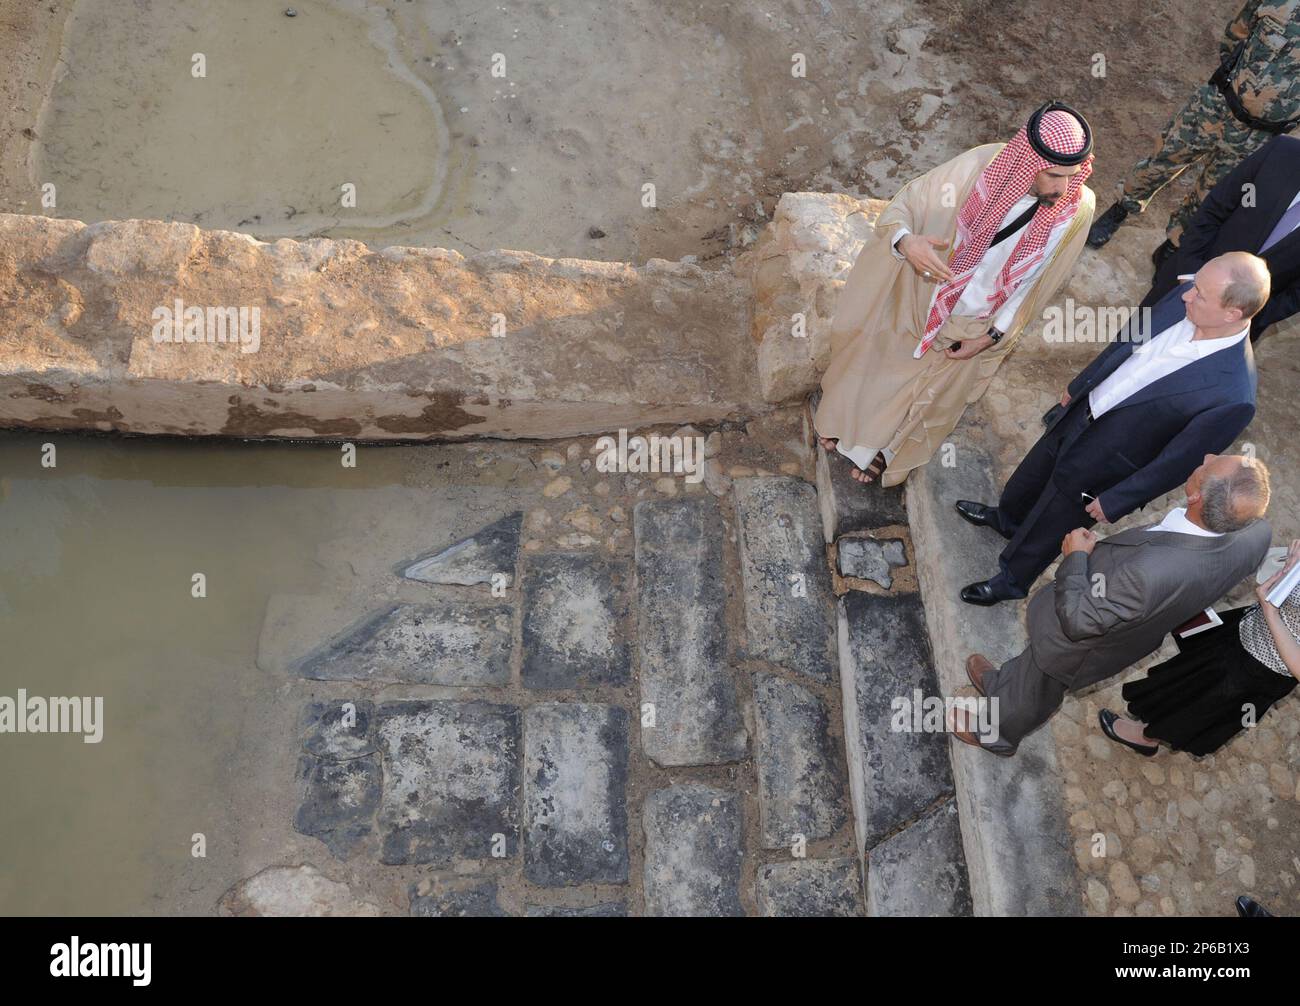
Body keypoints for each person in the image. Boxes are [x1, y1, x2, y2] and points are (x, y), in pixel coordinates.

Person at [956, 252, 1268, 606]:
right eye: (1195, 286)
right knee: (1033, 473)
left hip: (1108, 465)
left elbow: (1178, 462)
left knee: (1054, 520)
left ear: (1232, 313)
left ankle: (1012, 579)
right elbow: (1124, 342)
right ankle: (1006, 519)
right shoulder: (1188, 298)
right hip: (1082, 411)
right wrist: (1081, 385)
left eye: (1201, 295)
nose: (1186, 295)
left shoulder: (1234, 395)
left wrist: (1119, 499)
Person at [812, 101, 1095, 487]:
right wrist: (907, 243)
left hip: (978, 320)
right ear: (1028, 161)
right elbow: (907, 204)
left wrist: (993, 336)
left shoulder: (1076, 210)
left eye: (1072, 175)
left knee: (931, 395)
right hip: (925, 295)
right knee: (880, 364)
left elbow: (1035, 285)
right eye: (1052, 175)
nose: (1063, 188)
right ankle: (845, 425)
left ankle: (888, 451)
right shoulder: (981, 167)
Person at [947, 455, 1272, 757]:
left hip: (1082, 644)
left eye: (1208, 467)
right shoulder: (1257, 531)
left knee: (1038, 687)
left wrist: (1076, 556)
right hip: (1125, 620)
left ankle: (998, 735)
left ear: (1196, 497)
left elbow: (1076, 621)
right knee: (1031, 667)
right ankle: (1001, 685)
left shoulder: (1149, 573)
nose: (1207, 457)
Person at [1088, 2, 1300, 262]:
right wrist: (1234, 80)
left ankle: (1175, 243)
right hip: (1216, 104)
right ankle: (1122, 208)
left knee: (1214, 190)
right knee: (1166, 156)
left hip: (1262, 135)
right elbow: (1238, 31)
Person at [1099, 538, 1298, 757]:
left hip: (1260, 667)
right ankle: (1151, 714)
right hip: (1244, 629)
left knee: (1199, 702)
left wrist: (1270, 611)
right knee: (1189, 679)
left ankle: (1147, 737)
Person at [1142, 134, 1300, 342]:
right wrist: (1191, 273)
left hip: (1231, 329)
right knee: (1126, 349)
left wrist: (1248, 315)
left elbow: (1295, 296)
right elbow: (1215, 207)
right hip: (1183, 282)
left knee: (1184, 375)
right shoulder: (1282, 151)